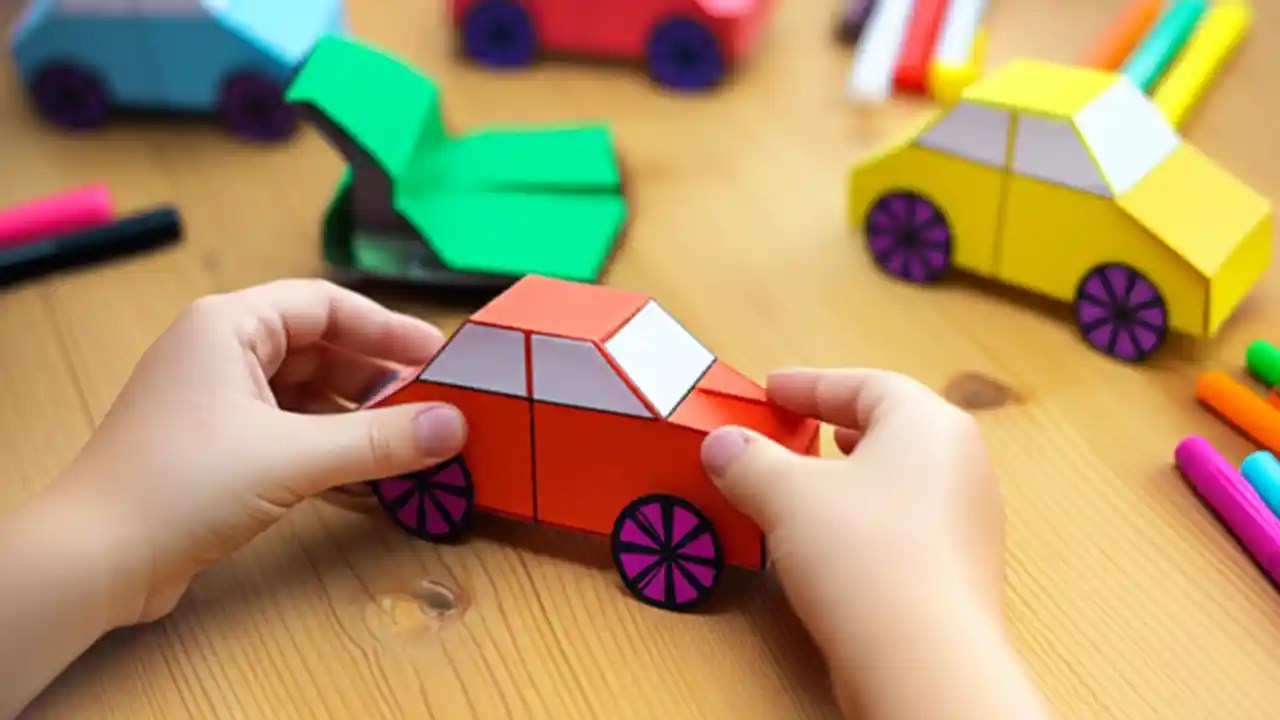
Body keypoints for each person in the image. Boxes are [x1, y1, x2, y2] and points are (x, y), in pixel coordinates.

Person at [0, 280, 1049, 719]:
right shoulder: (485, 396)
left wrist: (105, 539)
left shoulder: (678, 388)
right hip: (532, 421)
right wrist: (935, 635)